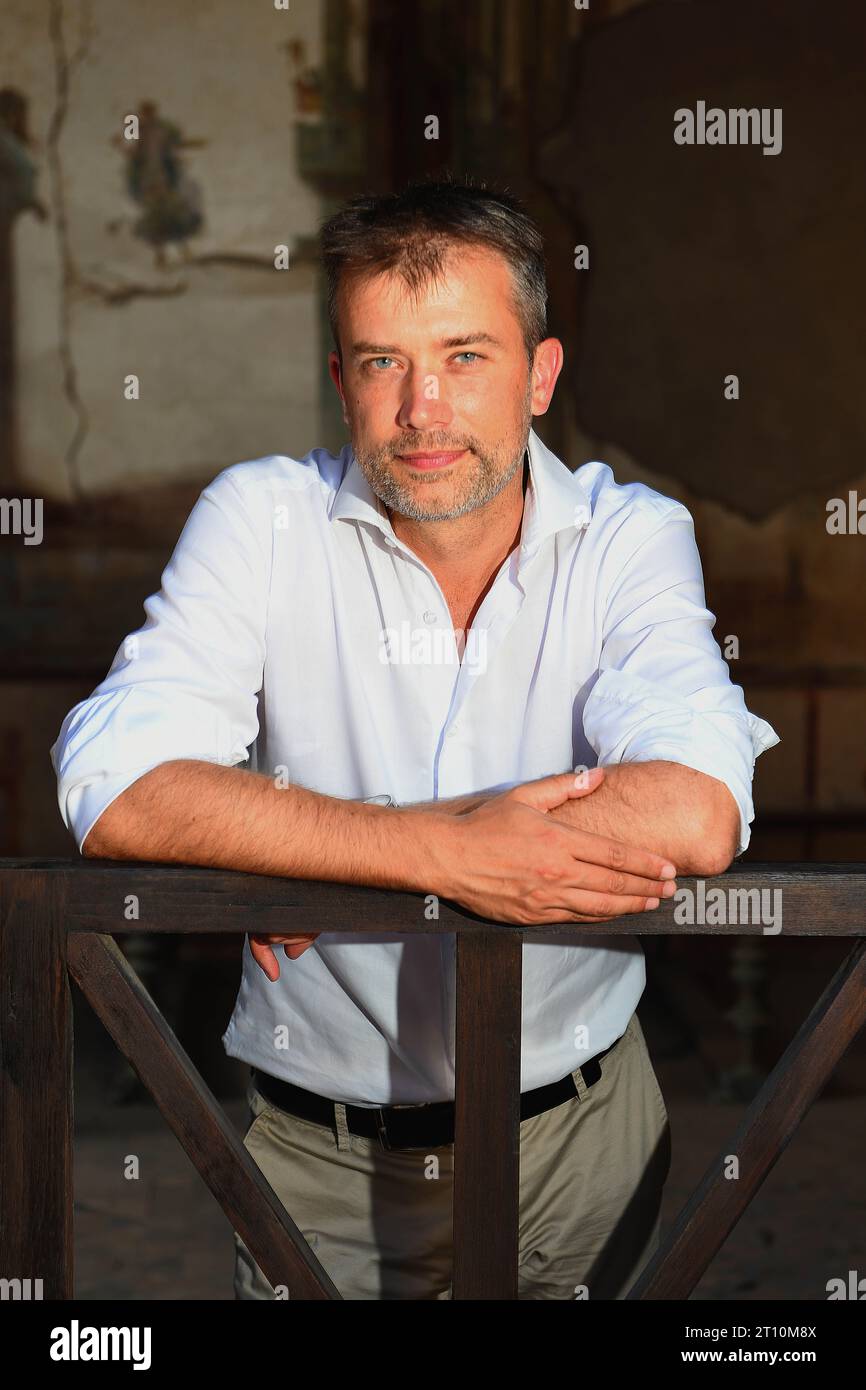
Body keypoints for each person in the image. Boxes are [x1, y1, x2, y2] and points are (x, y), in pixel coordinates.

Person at [50, 176, 780, 1300]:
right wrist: (431, 848)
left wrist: (303, 844)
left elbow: (694, 809)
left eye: (464, 357)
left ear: (538, 374)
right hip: (318, 1159)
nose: (421, 411)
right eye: (382, 362)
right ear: (340, 381)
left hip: (578, 1145)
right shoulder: (260, 518)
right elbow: (112, 780)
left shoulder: (626, 536)